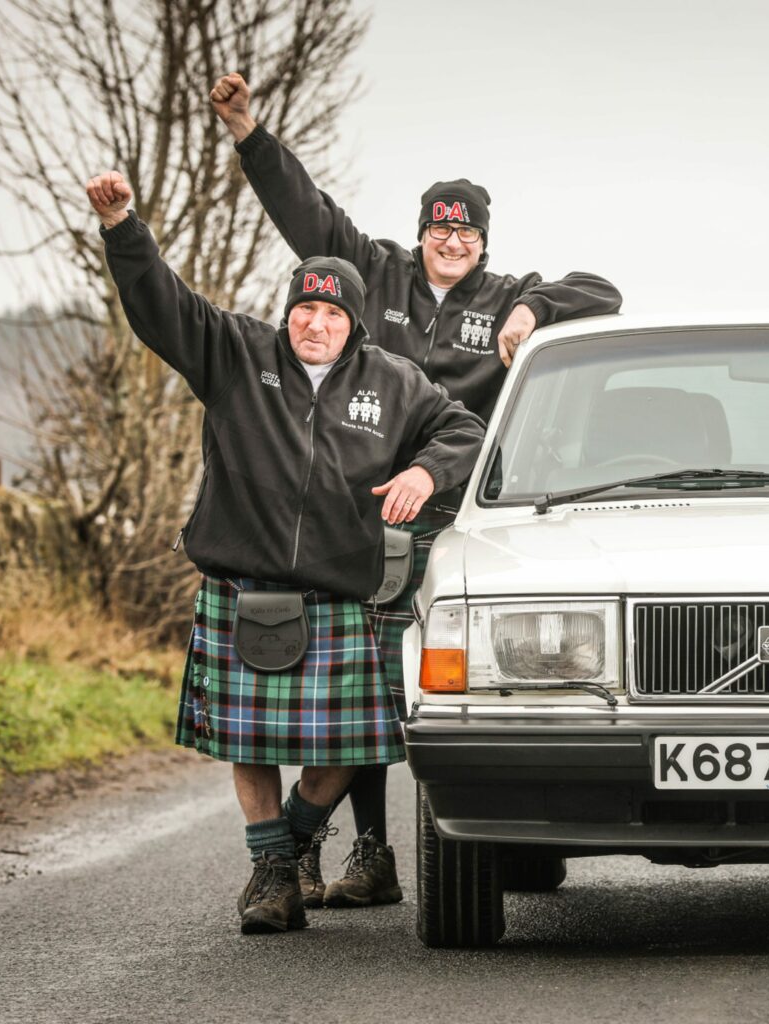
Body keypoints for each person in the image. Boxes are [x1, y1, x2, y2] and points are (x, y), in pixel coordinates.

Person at [209, 71, 623, 908]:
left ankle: (337, 848)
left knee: (416, 689)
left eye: (465, 230)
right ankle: (366, 851)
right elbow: (304, 210)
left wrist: (536, 308)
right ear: (422, 231)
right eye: (440, 226)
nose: (451, 240)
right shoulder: (375, 274)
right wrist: (248, 132)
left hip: (457, 513)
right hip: (363, 519)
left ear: (483, 240)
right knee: (366, 684)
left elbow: (605, 294)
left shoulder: (506, 296)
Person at [87, 170, 486, 934]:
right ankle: (273, 874)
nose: (314, 322)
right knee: (252, 739)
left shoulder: (394, 383)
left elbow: (463, 431)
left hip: (338, 592)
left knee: (361, 741)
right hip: (244, 587)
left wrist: (421, 470)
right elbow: (159, 304)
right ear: (288, 313)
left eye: (331, 313)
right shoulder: (236, 353)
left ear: (354, 323)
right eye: (304, 308)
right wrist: (122, 229)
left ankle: (292, 841)